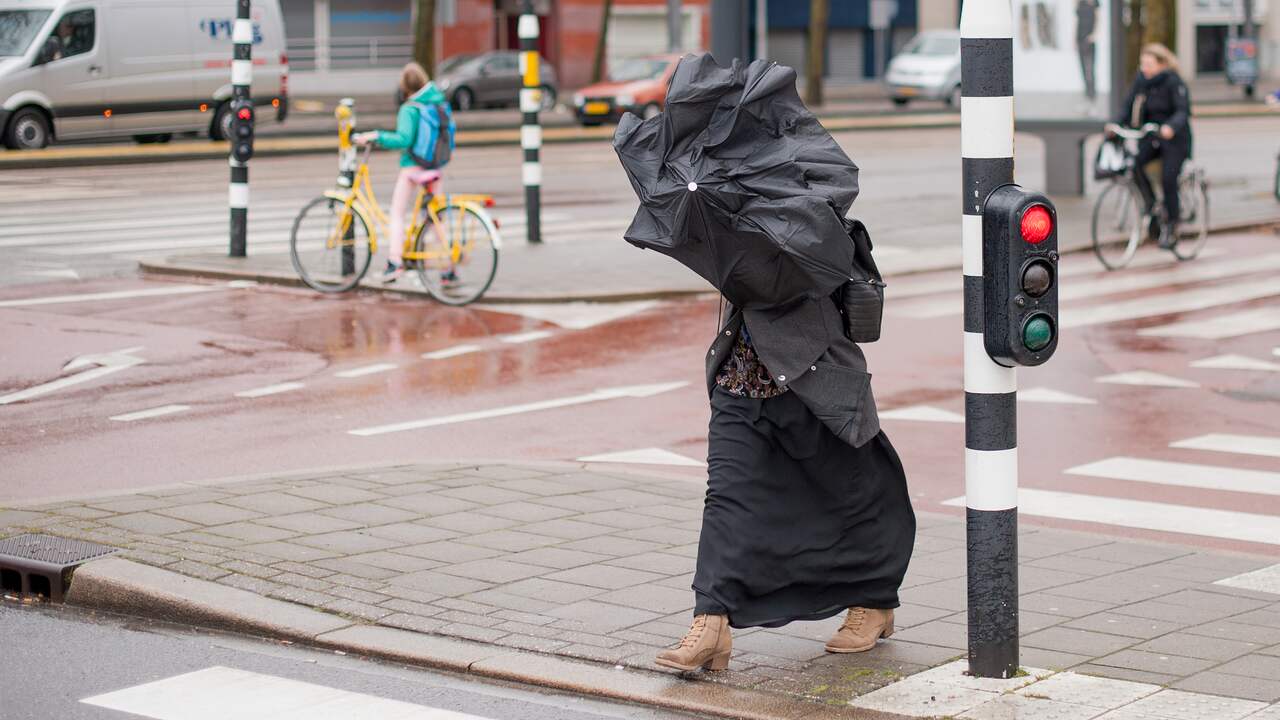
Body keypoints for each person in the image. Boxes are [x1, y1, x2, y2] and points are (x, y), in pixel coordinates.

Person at [654, 293, 916, 672]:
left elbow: (825, 273)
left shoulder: (816, 233)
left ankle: (874, 599)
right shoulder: (733, 233)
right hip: (739, 381)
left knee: (853, 491)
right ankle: (710, 622)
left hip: (811, 378)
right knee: (725, 497)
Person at [353, 62, 449, 283]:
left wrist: (377, 136)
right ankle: (448, 270)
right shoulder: (438, 102)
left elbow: (403, 139)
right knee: (435, 218)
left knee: (397, 214)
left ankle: (395, 262)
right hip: (434, 167)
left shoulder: (410, 108)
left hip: (413, 167)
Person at [1107, 43, 1193, 249]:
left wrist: (1170, 127)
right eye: (1142, 63)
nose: (1144, 68)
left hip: (1174, 140)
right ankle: (1151, 205)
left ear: (1162, 64)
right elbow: (1128, 105)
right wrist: (1116, 124)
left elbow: (1183, 110)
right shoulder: (1142, 80)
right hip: (1152, 136)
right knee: (1134, 164)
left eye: (1148, 64)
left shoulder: (1174, 81)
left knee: (1168, 178)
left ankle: (1172, 225)